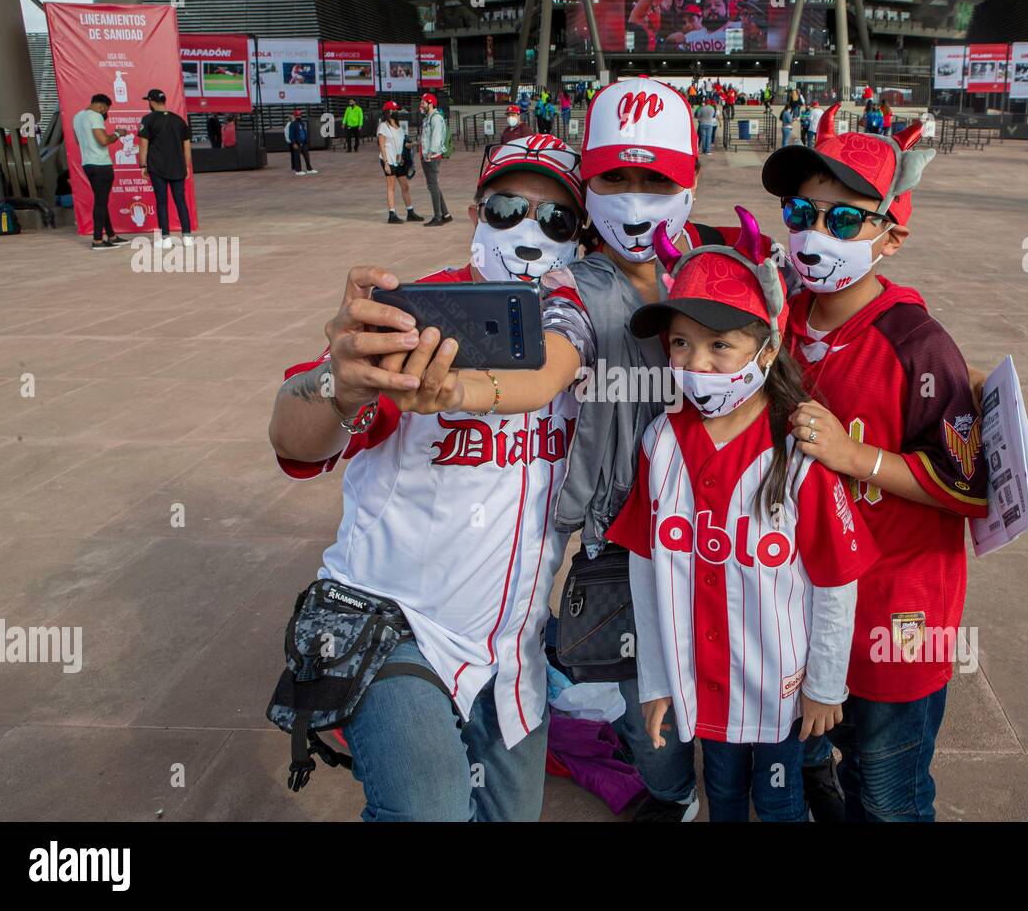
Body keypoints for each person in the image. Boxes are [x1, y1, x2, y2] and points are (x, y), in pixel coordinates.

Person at [393, 78, 845, 823]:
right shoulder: (572, 285)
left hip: (749, 516)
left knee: (768, 663)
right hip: (633, 535)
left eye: (656, 181)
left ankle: (806, 760)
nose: (635, 202)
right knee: (648, 708)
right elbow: (550, 364)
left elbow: (806, 315)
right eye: (615, 179)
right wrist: (466, 390)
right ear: (589, 186)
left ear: (690, 180)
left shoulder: (722, 258)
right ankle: (676, 792)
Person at [267, 134, 584, 822]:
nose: (529, 231)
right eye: (507, 208)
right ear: (475, 214)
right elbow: (292, 441)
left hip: (512, 653)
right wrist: (339, 384)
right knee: (429, 811)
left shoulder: (581, 339)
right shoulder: (418, 320)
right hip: (393, 625)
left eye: (557, 219)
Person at [606, 208, 878, 822]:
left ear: (769, 346)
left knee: (779, 801)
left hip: (779, 684)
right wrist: (657, 679)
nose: (696, 363)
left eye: (720, 345)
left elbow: (836, 581)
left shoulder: (800, 451)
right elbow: (645, 569)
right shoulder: (660, 442)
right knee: (723, 794)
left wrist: (825, 685)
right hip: (702, 679)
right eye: (681, 342)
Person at [760, 109, 988, 821]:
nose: (815, 234)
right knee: (805, 752)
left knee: (888, 792)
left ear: (891, 237)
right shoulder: (777, 321)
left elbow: (967, 487)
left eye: (844, 220)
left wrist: (854, 455)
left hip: (893, 610)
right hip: (797, 603)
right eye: (802, 212)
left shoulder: (917, 343)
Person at [137, 88, 194, 248]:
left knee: (162, 202)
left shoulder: (148, 119)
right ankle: (187, 237)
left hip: (157, 167)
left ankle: (166, 239)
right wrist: (187, 166)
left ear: (151, 102)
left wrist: (143, 165)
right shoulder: (179, 120)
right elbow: (187, 146)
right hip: (178, 167)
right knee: (180, 201)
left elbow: (143, 144)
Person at [72, 93, 127, 250]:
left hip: (88, 163)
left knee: (101, 201)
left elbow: (77, 141)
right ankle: (97, 240)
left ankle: (111, 236)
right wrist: (118, 133)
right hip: (101, 164)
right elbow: (103, 140)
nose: (105, 113)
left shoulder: (77, 117)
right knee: (101, 203)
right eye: (106, 110)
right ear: (102, 107)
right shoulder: (95, 116)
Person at [377, 101, 421, 225]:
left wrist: (410, 145)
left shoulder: (399, 127)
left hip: (399, 161)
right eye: (395, 109)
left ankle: (410, 212)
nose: (397, 112)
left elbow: (401, 144)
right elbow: (381, 146)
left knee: (405, 186)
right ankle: (392, 214)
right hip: (389, 160)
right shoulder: (383, 126)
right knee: (391, 186)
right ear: (389, 112)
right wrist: (386, 163)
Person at [419, 93, 451, 226]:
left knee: (433, 187)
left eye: (423, 103)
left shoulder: (436, 118)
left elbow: (436, 137)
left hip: (431, 157)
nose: (421, 105)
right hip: (426, 155)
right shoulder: (428, 118)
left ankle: (438, 218)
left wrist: (430, 152)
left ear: (430, 103)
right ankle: (446, 214)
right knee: (434, 186)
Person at [285, 109, 317, 177]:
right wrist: (294, 143)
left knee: (307, 157)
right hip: (297, 143)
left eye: (299, 115)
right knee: (297, 157)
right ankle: (298, 170)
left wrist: (306, 140)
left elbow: (304, 132)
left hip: (304, 142)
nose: (298, 116)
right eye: (297, 115)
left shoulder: (302, 123)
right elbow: (291, 135)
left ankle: (309, 169)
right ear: (295, 116)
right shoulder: (292, 124)